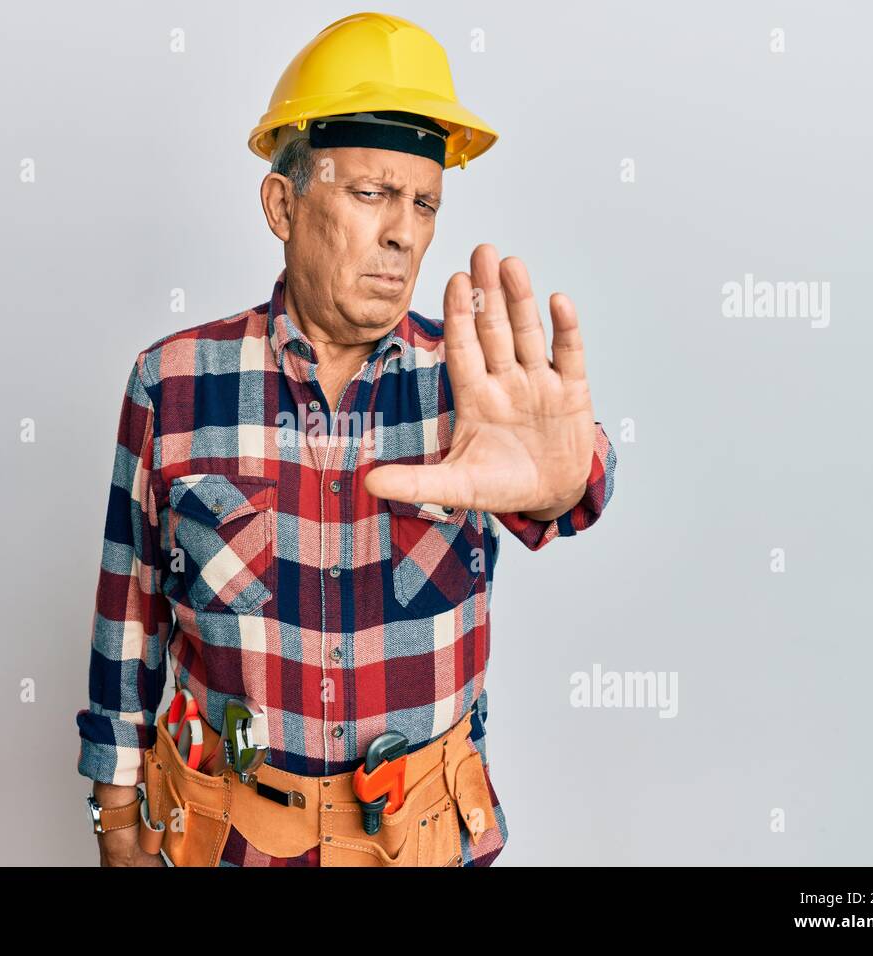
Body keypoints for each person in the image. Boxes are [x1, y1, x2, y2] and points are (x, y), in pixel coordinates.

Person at [76, 12, 616, 866]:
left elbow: (575, 478)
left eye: (425, 201)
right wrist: (116, 820)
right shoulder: (173, 384)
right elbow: (130, 618)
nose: (404, 230)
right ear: (283, 203)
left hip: (427, 840)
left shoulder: (469, 385)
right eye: (371, 193)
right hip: (226, 842)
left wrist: (564, 481)